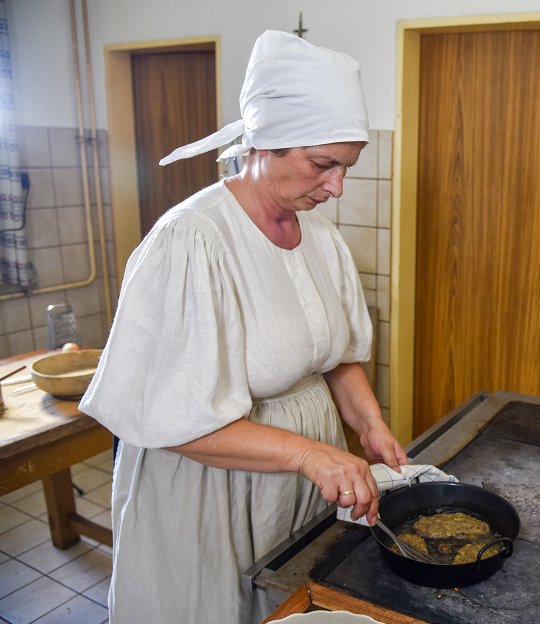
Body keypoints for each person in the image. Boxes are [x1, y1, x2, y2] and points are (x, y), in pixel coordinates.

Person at [79, 30, 407, 623]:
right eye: (323, 165)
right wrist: (308, 455)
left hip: (297, 482)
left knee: (284, 604)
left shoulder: (323, 240)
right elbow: (166, 420)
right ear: (266, 143)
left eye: (346, 168)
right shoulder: (191, 241)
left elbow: (335, 356)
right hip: (212, 494)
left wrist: (369, 423)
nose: (337, 187)